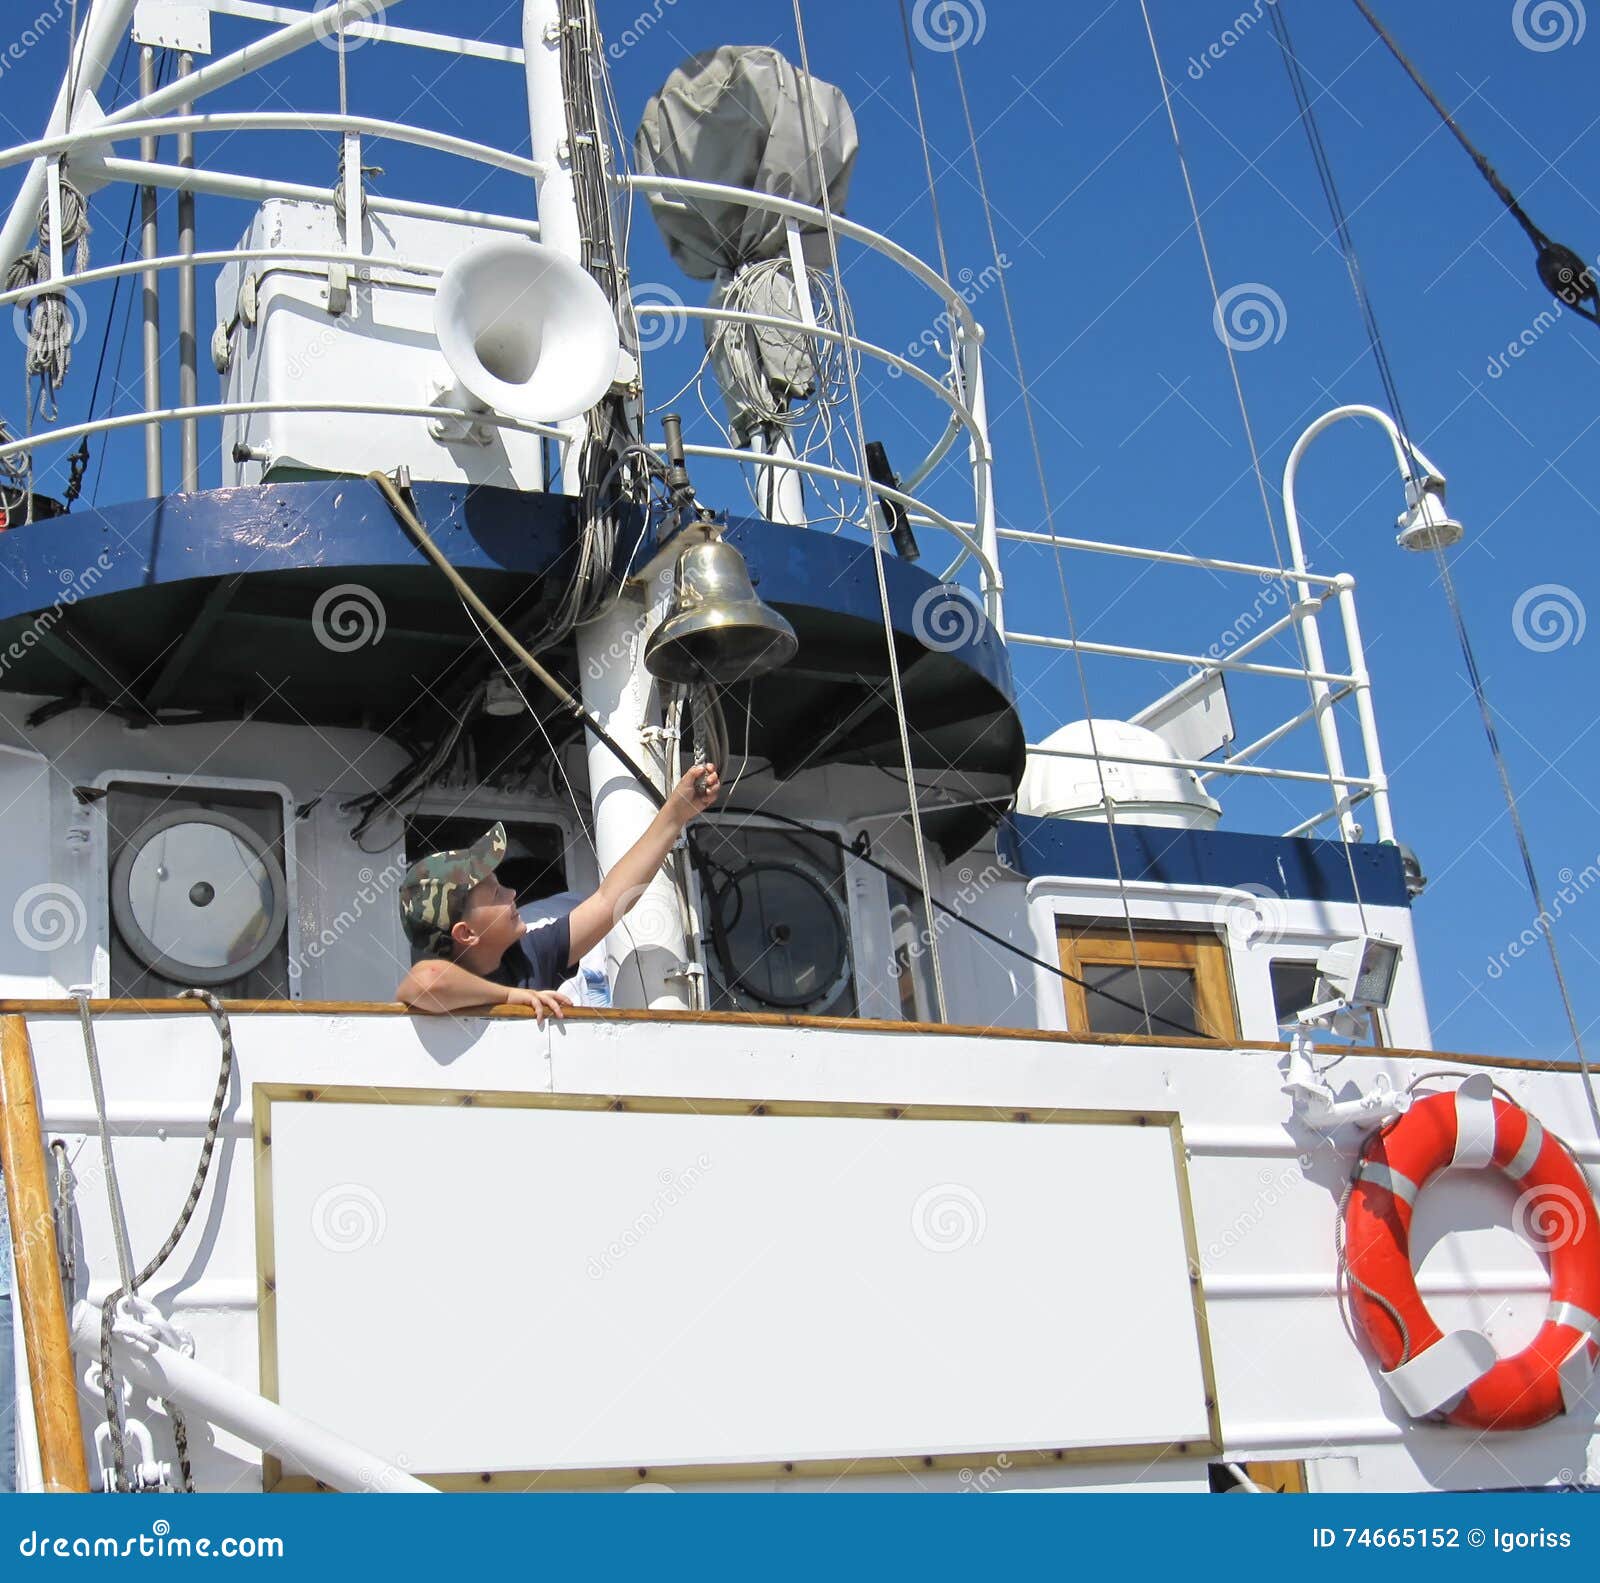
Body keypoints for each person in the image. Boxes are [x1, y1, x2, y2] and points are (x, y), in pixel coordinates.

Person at [395, 762, 720, 1020]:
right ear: (466, 933)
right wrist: (510, 997)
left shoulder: (531, 954)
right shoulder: (449, 978)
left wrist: (675, 814)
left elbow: (611, 900)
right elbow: (425, 980)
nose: (512, 894)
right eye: (495, 894)